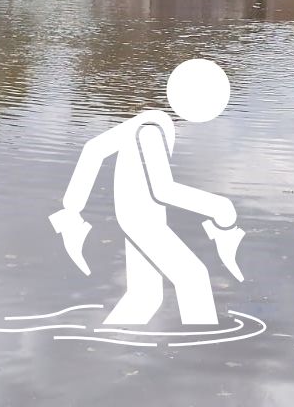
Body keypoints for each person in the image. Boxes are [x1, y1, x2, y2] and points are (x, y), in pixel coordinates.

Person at [48, 59, 242, 325]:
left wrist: (72, 209)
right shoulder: (152, 129)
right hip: (141, 218)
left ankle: (106, 343)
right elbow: (162, 189)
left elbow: (94, 148)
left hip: (137, 215)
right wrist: (220, 208)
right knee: (193, 277)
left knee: (145, 296)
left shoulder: (151, 120)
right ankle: (202, 347)